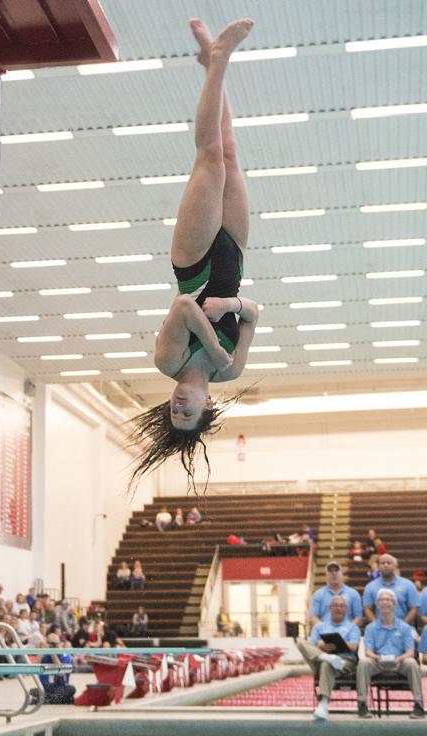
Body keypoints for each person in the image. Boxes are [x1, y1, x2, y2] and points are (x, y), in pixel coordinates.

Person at [126, 18, 259, 487]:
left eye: (173, 411)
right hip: (234, 258)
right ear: (207, 407)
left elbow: (183, 307)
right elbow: (254, 314)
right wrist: (234, 304)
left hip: (195, 262)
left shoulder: (169, 363)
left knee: (209, 158)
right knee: (229, 154)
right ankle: (210, 63)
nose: (180, 406)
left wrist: (213, 331)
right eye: (189, 413)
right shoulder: (231, 370)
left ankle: (218, 59)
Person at [357, 589, 424, 719]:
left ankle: (418, 705)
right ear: (377, 605)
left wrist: (400, 658)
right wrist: (377, 658)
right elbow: (368, 652)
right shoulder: (370, 628)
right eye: (381, 600)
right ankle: (362, 704)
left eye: (388, 600)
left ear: (394, 604)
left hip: (399, 662)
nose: (385, 602)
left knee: (412, 663)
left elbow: (410, 652)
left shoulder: (405, 627)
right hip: (378, 662)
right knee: (364, 663)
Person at [296, 595, 360, 720]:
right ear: (329, 608)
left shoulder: (352, 627)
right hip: (321, 658)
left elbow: (353, 646)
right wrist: (320, 645)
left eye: (341, 606)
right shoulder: (319, 627)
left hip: (344, 661)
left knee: (327, 664)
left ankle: (323, 704)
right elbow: (311, 646)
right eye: (335, 605)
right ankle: (325, 657)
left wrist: (338, 643)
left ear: (346, 609)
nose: (338, 608)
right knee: (300, 642)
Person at [362, 554, 419, 625]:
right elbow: (367, 609)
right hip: (379, 628)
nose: (385, 565)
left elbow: (414, 608)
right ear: (379, 566)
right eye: (382, 563)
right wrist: (377, 626)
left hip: (404, 627)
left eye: (389, 563)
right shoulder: (370, 587)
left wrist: (403, 627)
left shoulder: (408, 585)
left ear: (395, 566)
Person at [309, 561, 363, 627]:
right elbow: (313, 617)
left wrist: (348, 630)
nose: (334, 573)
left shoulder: (353, 594)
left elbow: (358, 617)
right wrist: (323, 630)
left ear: (342, 573)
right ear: (326, 575)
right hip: (325, 631)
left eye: (336, 570)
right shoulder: (318, 594)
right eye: (330, 571)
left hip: (347, 631)